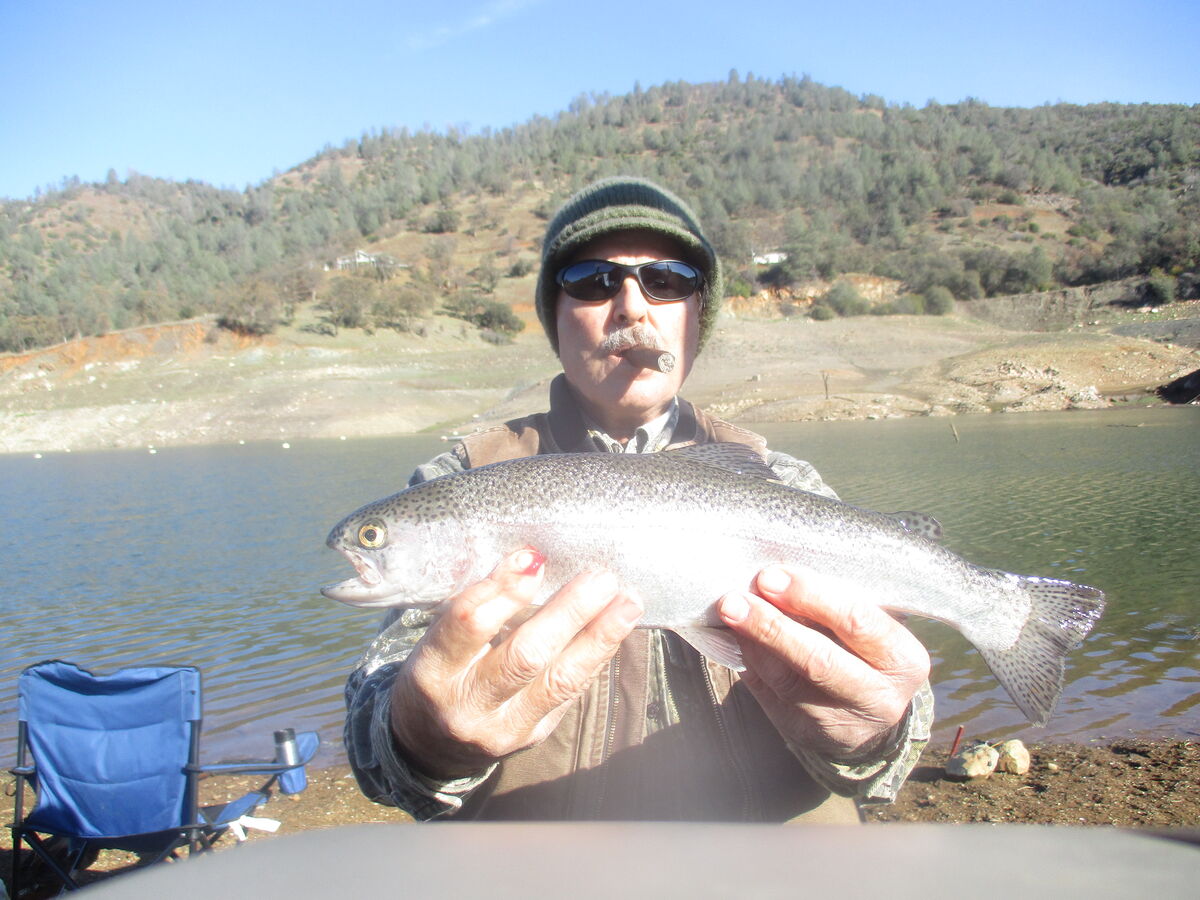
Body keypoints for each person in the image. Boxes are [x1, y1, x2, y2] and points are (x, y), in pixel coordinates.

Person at [344, 177, 933, 822]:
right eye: (594, 279)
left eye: (668, 280)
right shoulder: (457, 484)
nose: (631, 306)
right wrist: (421, 736)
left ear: (694, 316)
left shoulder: (781, 484)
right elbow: (375, 742)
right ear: (555, 317)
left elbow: (891, 732)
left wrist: (877, 733)